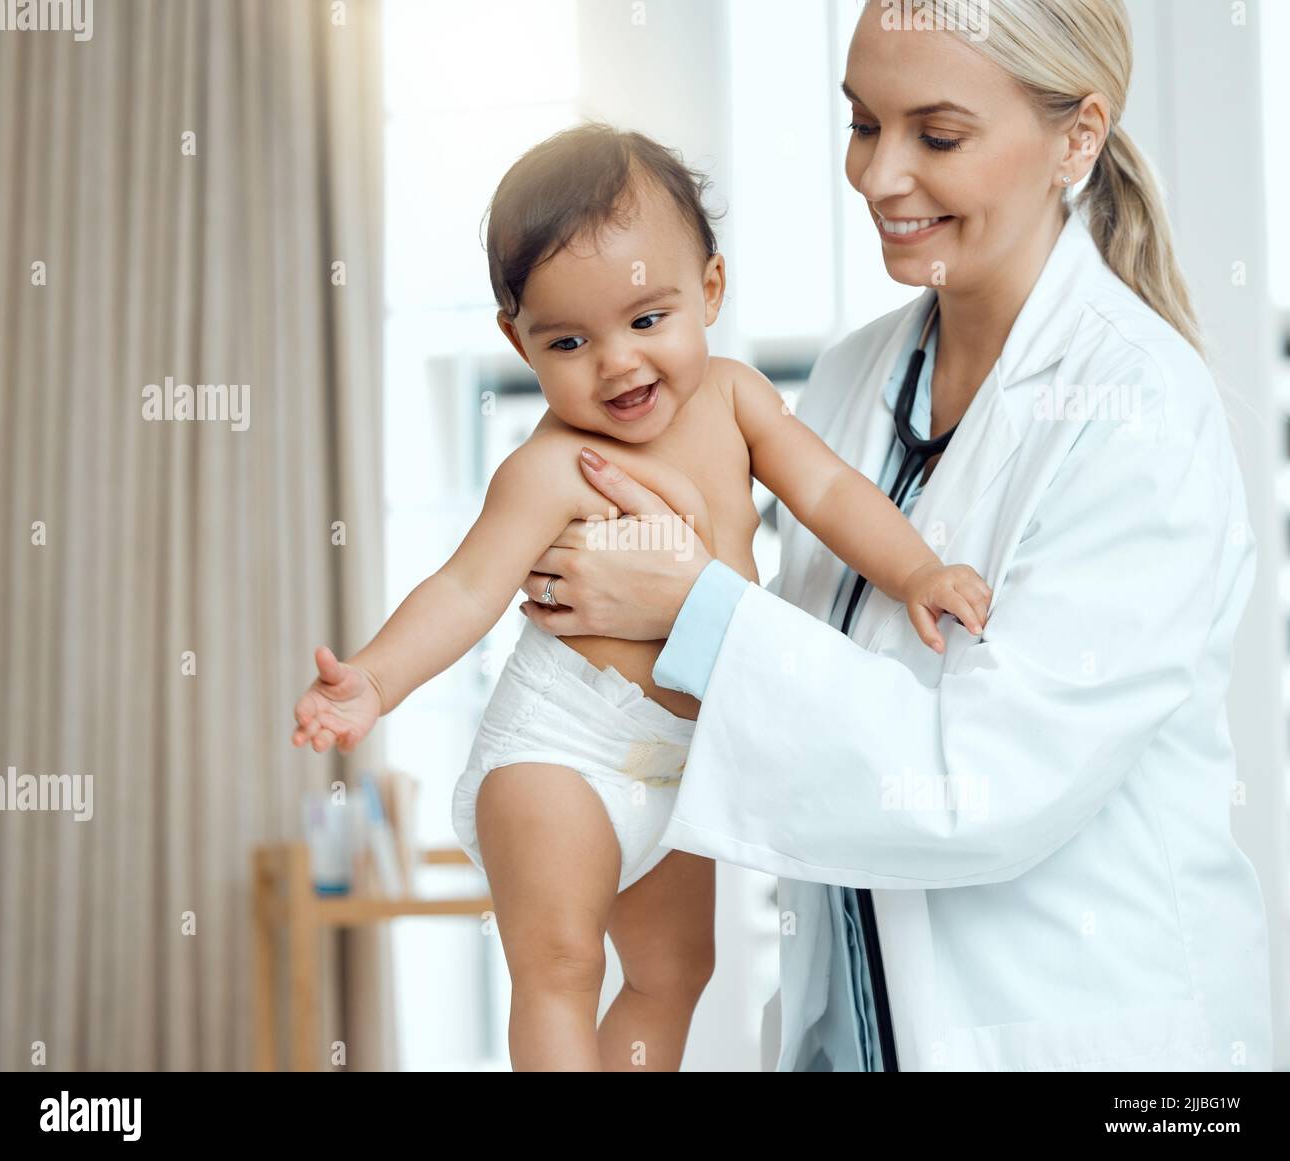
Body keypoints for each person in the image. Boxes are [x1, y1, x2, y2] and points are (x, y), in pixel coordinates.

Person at [516, 0, 1274, 1070]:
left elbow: (984, 787)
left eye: (938, 135)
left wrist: (692, 610)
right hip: (857, 1034)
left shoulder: (1135, 409)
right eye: (863, 124)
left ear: (1077, 137)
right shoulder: (847, 378)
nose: (877, 177)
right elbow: (800, 719)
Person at [289, 123, 991, 1070]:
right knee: (561, 967)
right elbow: (463, 590)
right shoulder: (548, 467)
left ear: (709, 289)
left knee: (675, 974)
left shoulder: (738, 400)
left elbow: (826, 492)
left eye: (646, 320)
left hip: (683, 759)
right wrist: (374, 679)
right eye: (570, 341)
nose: (617, 363)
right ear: (518, 340)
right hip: (558, 753)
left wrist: (917, 568)